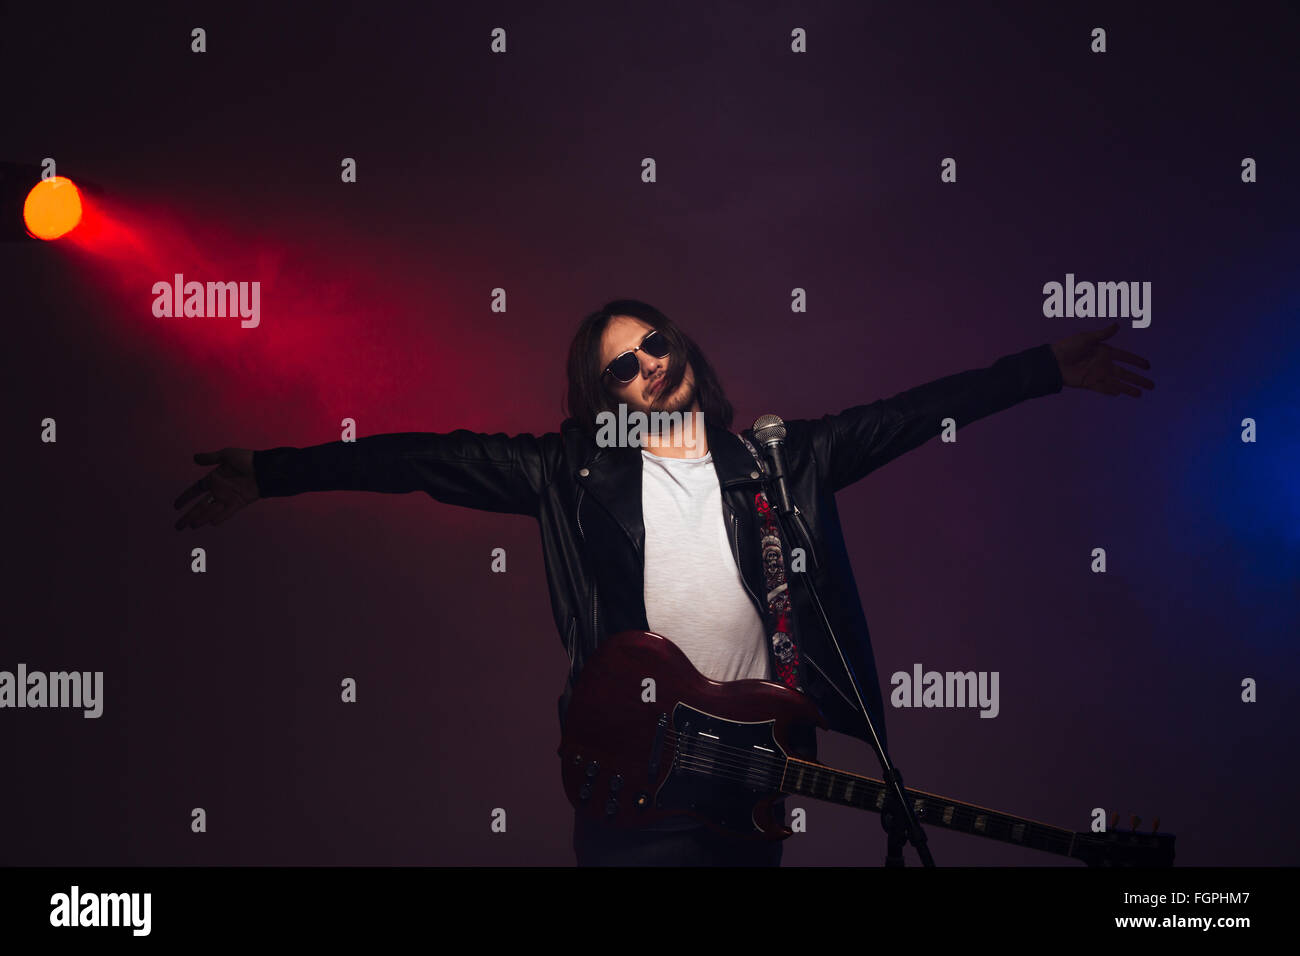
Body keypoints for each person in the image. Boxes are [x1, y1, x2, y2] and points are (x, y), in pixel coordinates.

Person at [173, 299, 1153, 866]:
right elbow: (424, 458)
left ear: (681, 350)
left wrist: (1041, 370)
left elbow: (909, 414)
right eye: (619, 368)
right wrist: (269, 469)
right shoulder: (567, 470)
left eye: (653, 343)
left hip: (758, 773)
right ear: (601, 398)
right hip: (631, 773)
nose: (645, 365)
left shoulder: (783, 460)